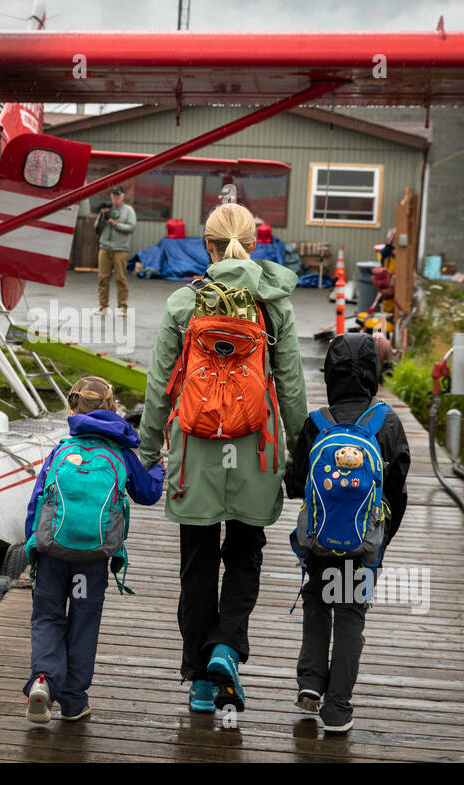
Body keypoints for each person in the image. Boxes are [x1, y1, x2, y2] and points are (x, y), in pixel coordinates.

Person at [138, 203, 307, 713]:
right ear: (254, 245)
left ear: (205, 245)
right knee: (244, 555)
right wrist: (298, 454)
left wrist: (147, 451)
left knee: (196, 563)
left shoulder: (181, 305)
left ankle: (199, 680)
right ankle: (227, 648)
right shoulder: (274, 305)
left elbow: (158, 387)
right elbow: (293, 386)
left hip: (196, 453)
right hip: (255, 451)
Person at [284, 332, 410, 734]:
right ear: (374, 372)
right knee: (351, 614)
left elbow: (294, 484)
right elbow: (398, 489)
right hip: (365, 542)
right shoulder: (386, 421)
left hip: (321, 539)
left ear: (329, 374)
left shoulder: (317, 422)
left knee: (318, 603)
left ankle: (310, 683)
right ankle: (337, 709)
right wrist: (382, 539)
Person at [23, 376, 165, 723]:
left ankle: (43, 680)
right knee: (84, 624)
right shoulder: (120, 453)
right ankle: (73, 702)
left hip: (53, 550)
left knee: (47, 617)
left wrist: (32, 548)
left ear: (73, 409)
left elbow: (37, 503)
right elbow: (147, 494)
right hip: (93, 557)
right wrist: (159, 467)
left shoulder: (61, 450)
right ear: (112, 409)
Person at [96, 186, 137, 316]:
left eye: (118, 195)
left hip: (120, 249)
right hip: (105, 248)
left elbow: (131, 227)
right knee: (103, 278)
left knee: (120, 278)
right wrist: (103, 216)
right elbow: (96, 228)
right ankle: (103, 306)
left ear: (123, 196)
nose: (115, 198)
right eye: (113, 195)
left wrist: (115, 224)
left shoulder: (128, 210)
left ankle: (122, 306)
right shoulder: (106, 209)